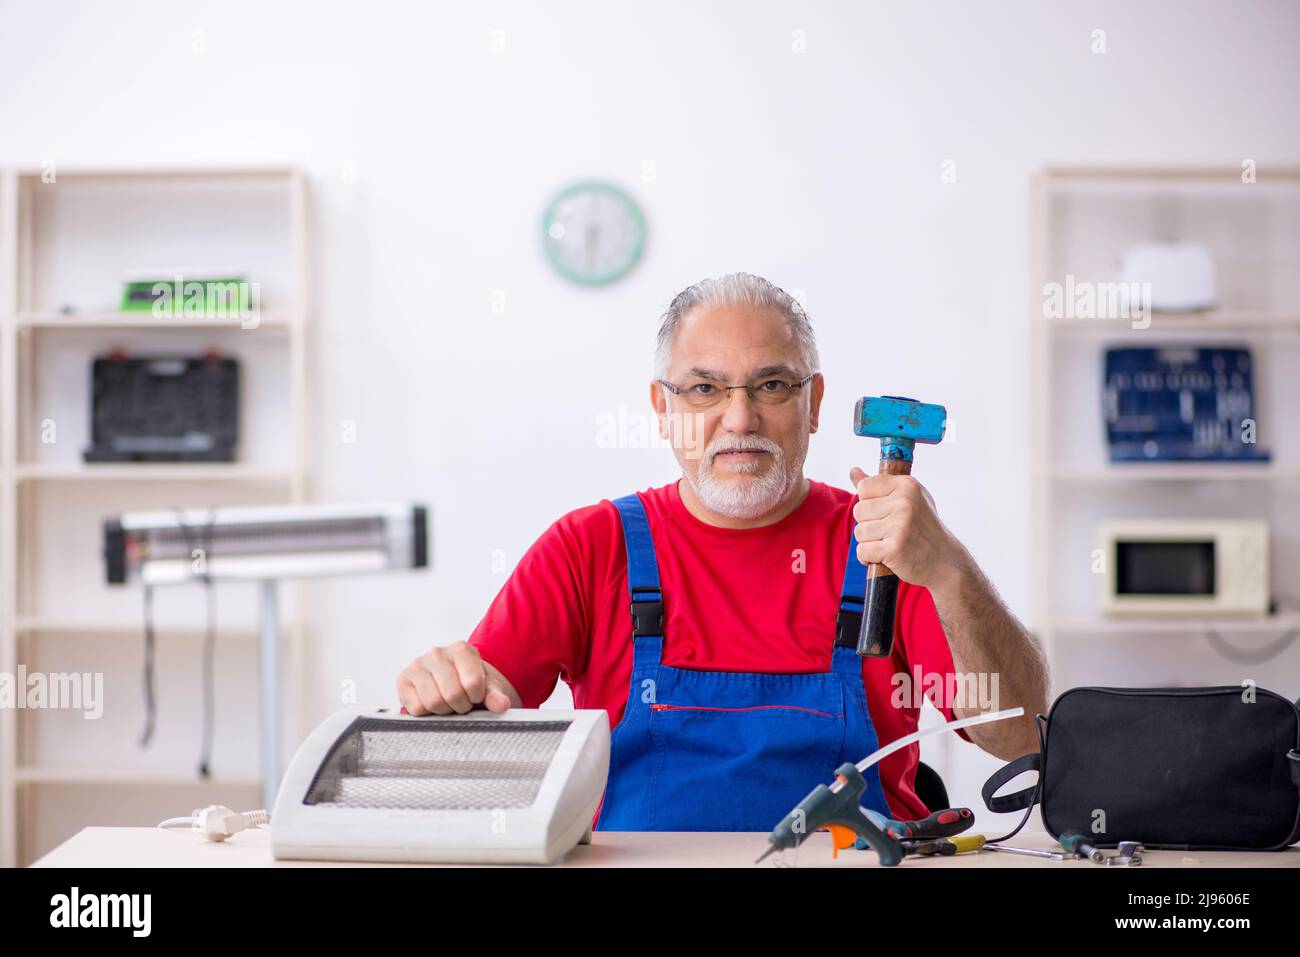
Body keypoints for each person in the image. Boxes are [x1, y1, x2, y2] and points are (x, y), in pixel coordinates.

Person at [397, 272, 1049, 829]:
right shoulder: (590, 547)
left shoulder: (886, 549)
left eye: (771, 385)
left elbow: (1017, 733)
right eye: (705, 389)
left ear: (814, 403)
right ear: (662, 406)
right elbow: (479, 727)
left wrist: (951, 571)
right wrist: (448, 691)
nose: (740, 420)